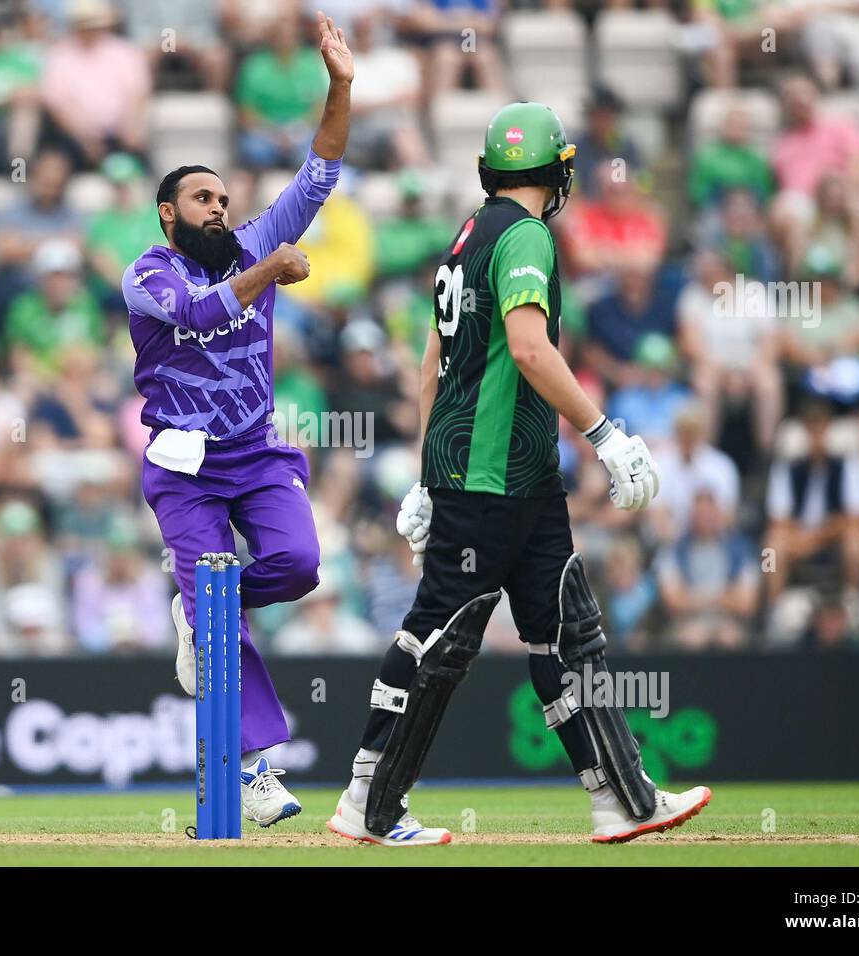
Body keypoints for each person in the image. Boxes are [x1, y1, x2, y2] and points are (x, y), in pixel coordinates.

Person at [326, 101, 711, 848]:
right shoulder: (527, 234)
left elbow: (432, 365)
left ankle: (623, 799)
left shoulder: (467, 236)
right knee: (441, 635)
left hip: (510, 474)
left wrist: (424, 473)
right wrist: (604, 432)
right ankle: (369, 801)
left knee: (567, 634)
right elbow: (528, 349)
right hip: (491, 474)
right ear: (554, 171)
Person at [121, 12, 352, 828]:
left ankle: (201, 609)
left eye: (224, 197)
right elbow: (201, 310)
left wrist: (342, 85)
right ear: (168, 213)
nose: (219, 207)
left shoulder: (254, 241)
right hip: (184, 469)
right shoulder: (148, 272)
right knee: (220, 592)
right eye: (201, 198)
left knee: (298, 565)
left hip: (255, 455)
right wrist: (271, 270)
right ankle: (252, 769)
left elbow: (320, 174)